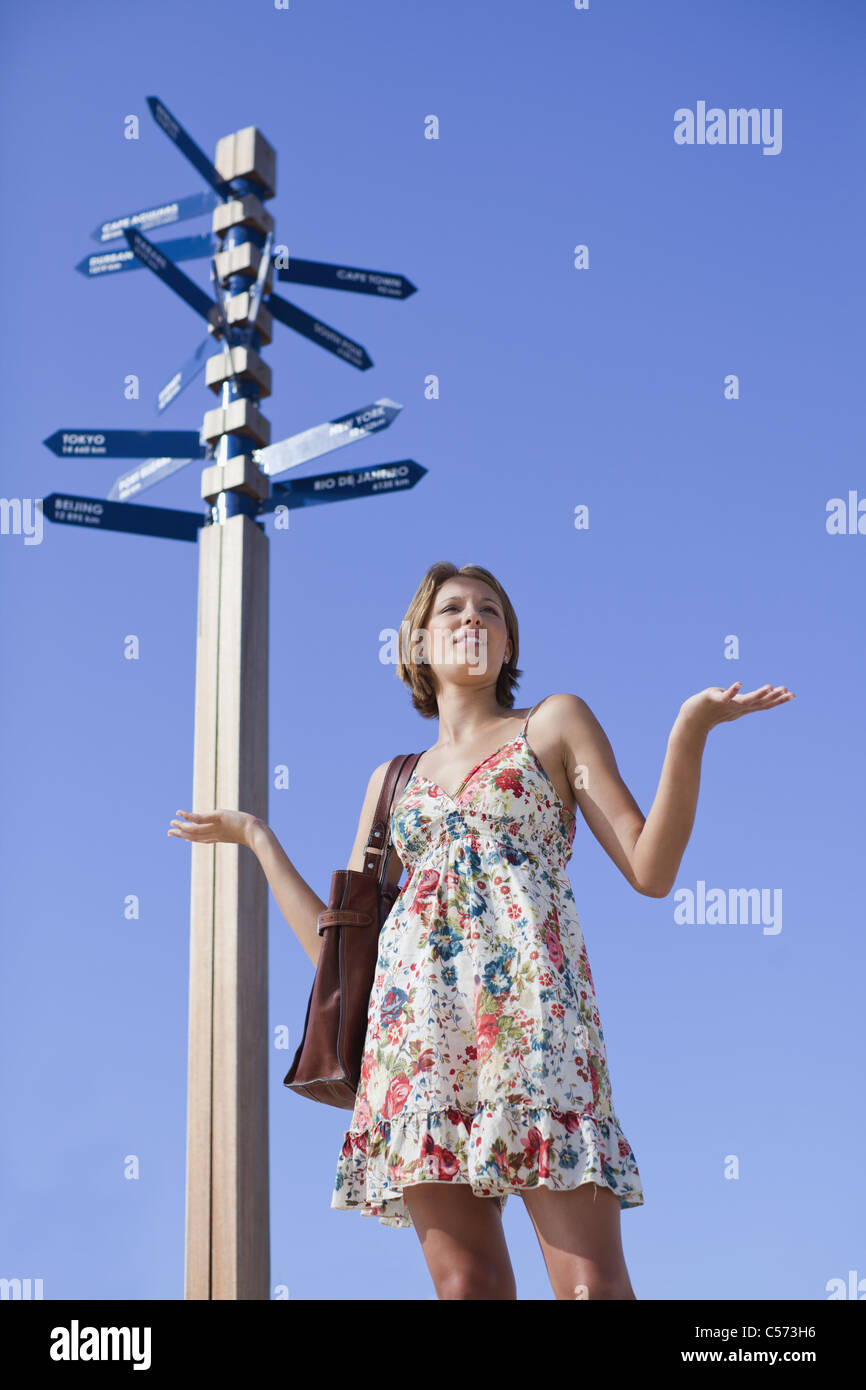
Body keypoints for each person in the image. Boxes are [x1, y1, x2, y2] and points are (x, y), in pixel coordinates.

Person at [168, 560, 794, 1300]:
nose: (473, 619)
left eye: (490, 610)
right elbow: (341, 961)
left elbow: (651, 868)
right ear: (417, 645)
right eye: (453, 610)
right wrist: (260, 841)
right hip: (418, 1054)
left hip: (533, 1031)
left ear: (508, 643)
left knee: (590, 1283)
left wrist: (689, 731)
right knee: (468, 1286)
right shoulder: (393, 781)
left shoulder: (553, 724)